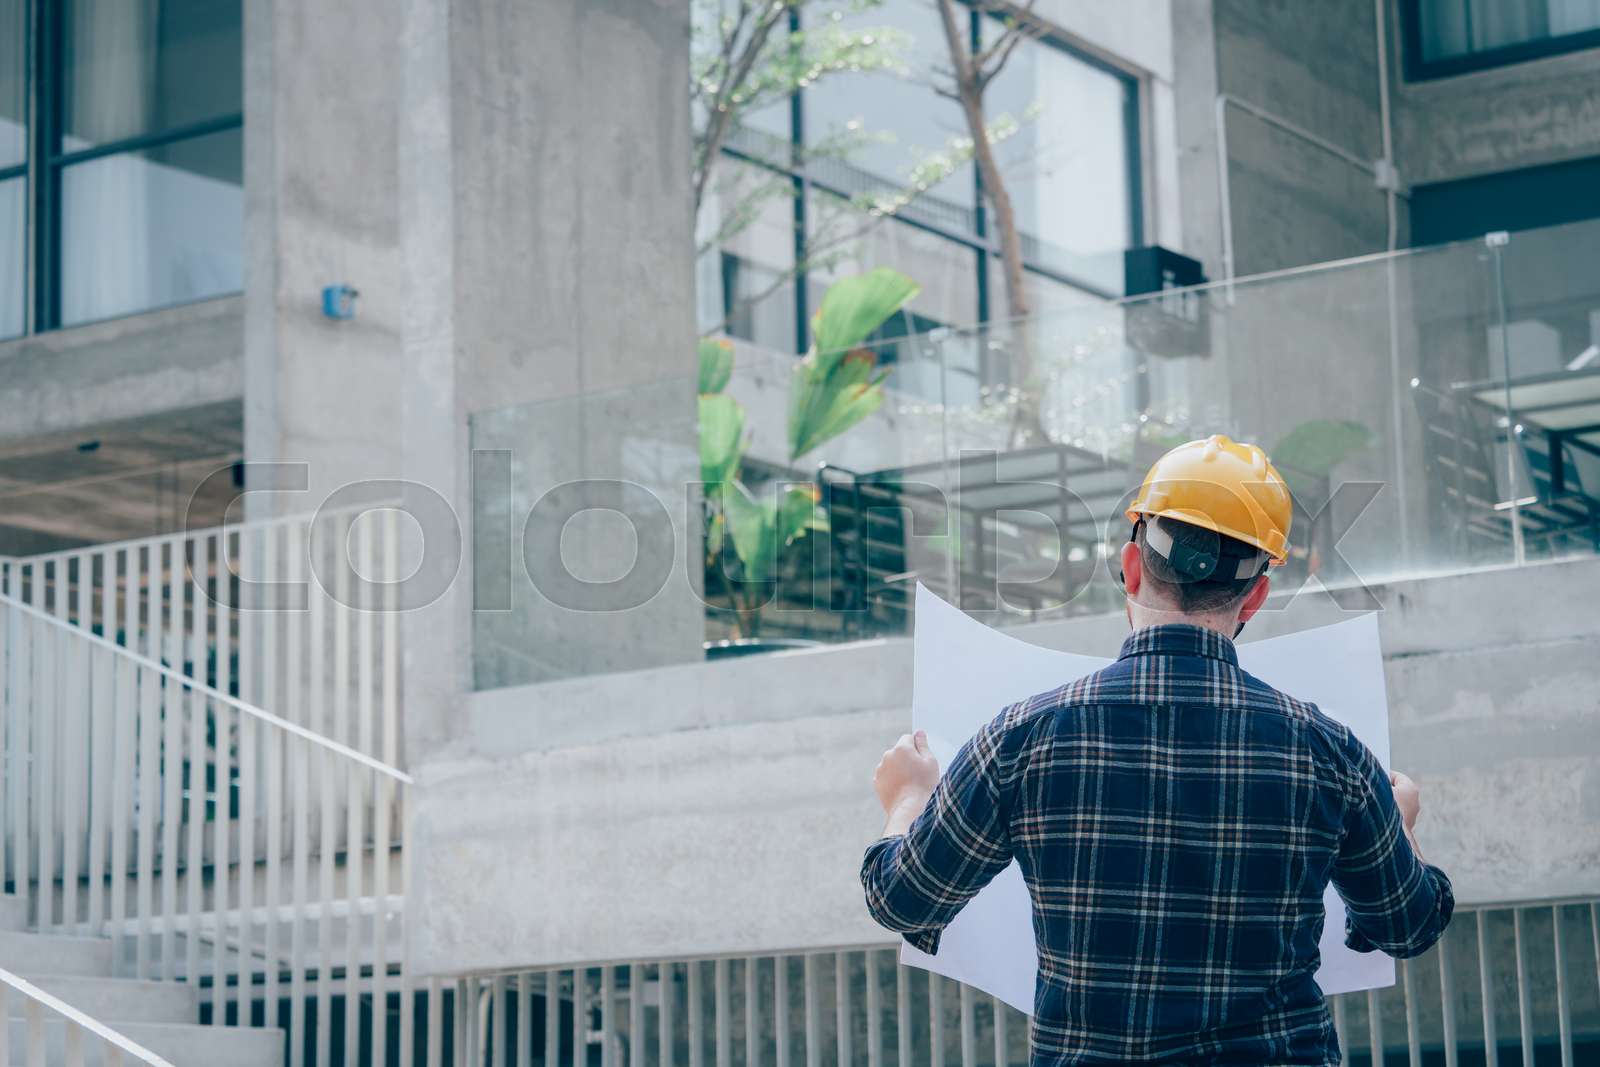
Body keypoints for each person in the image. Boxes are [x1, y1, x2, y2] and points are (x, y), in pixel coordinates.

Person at [860, 435, 1453, 1065]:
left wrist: (906, 799)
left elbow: (902, 899)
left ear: (1133, 566)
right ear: (1255, 595)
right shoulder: (1329, 755)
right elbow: (1408, 923)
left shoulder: (1023, 740)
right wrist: (1402, 824)